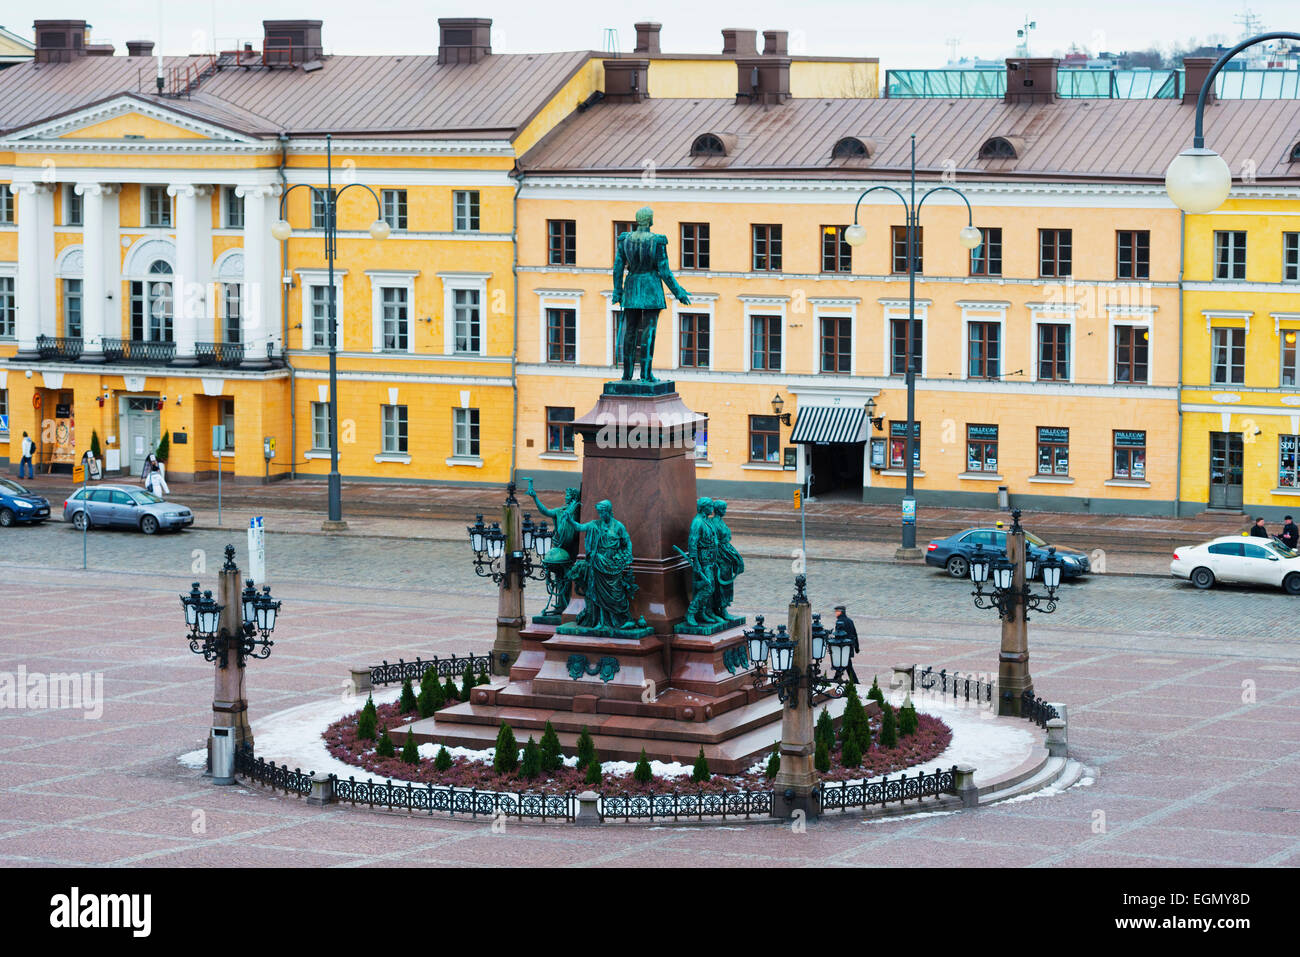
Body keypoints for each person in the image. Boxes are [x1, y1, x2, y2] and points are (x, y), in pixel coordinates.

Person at [611, 206, 691, 382]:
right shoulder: (657, 241)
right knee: (649, 331)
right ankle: (646, 374)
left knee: (630, 331)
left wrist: (617, 291)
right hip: (651, 287)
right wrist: (678, 292)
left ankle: (627, 375)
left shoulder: (625, 240)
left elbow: (618, 267)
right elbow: (664, 270)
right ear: (650, 221)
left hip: (631, 286)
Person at [833, 604, 860, 685]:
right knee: (845, 664)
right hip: (850, 646)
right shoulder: (850, 621)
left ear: (840, 612)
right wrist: (857, 647)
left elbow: (837, 635)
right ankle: (837, 678)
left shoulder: (839, 622)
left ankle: (855, 682)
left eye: (836, 612)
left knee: (846, 665)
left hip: (842, 647)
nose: (835, 613)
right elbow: (855, 634)